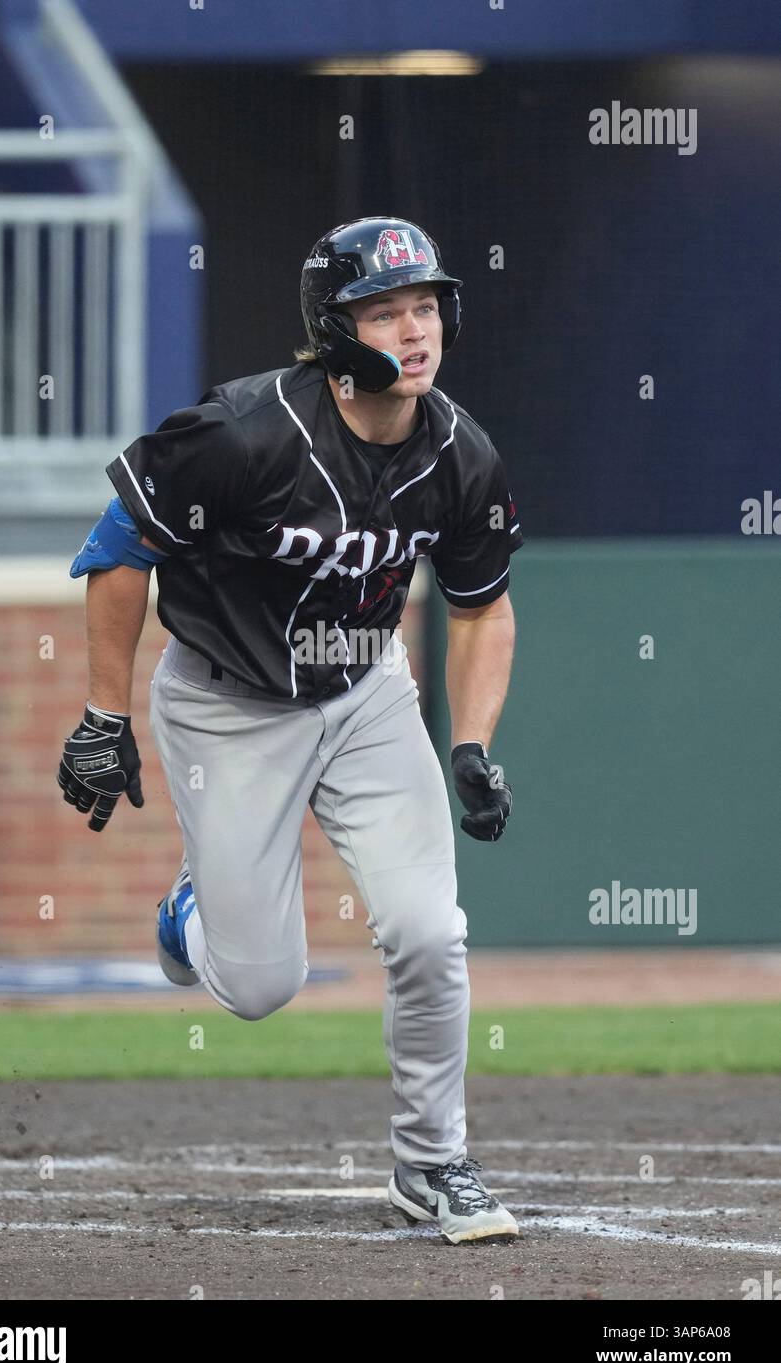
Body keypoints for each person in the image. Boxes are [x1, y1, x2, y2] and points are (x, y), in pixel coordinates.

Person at [59, 216, 525, 1245]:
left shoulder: (460, 454)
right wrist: (103, 713)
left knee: (427, 930)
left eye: (425, 305)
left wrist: (469, 744)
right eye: (384, 309)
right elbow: (116, 548)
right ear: (333, 326)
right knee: (261, 987)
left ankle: (431, 1161)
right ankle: (190, 917)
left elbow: (480, 605)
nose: (414, 328)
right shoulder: (241, 432)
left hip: (364, 694)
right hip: (227, 704)